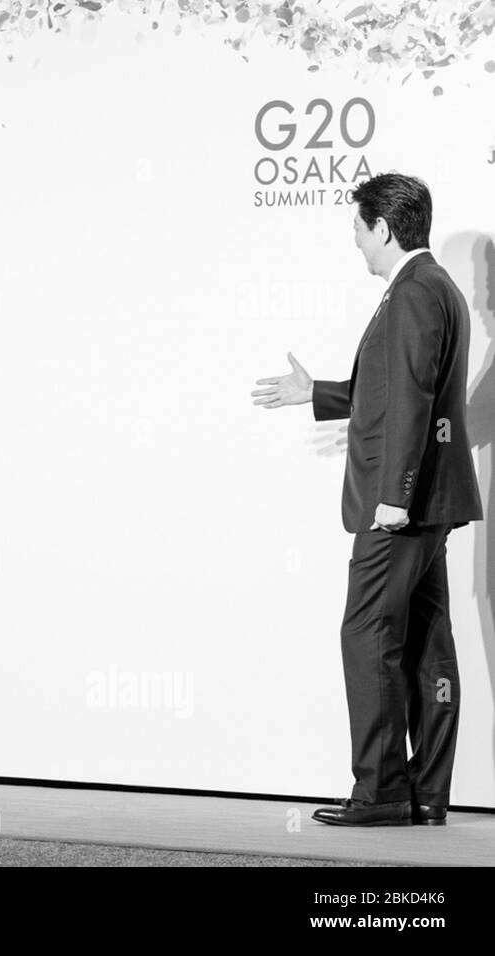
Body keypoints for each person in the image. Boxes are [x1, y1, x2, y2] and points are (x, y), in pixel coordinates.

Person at [252, 172, 481, 826]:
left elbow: (410, 398)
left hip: (404, 504)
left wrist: (394, 498)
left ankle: (381, 792)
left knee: (368, 632)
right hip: (431, 500)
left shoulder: (413, 292)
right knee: (428, 641)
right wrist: (318, 393)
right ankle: (427, 795)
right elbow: (391, 387)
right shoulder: (433, 288)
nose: (354, 242)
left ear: (383, 228)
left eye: (357, 228)